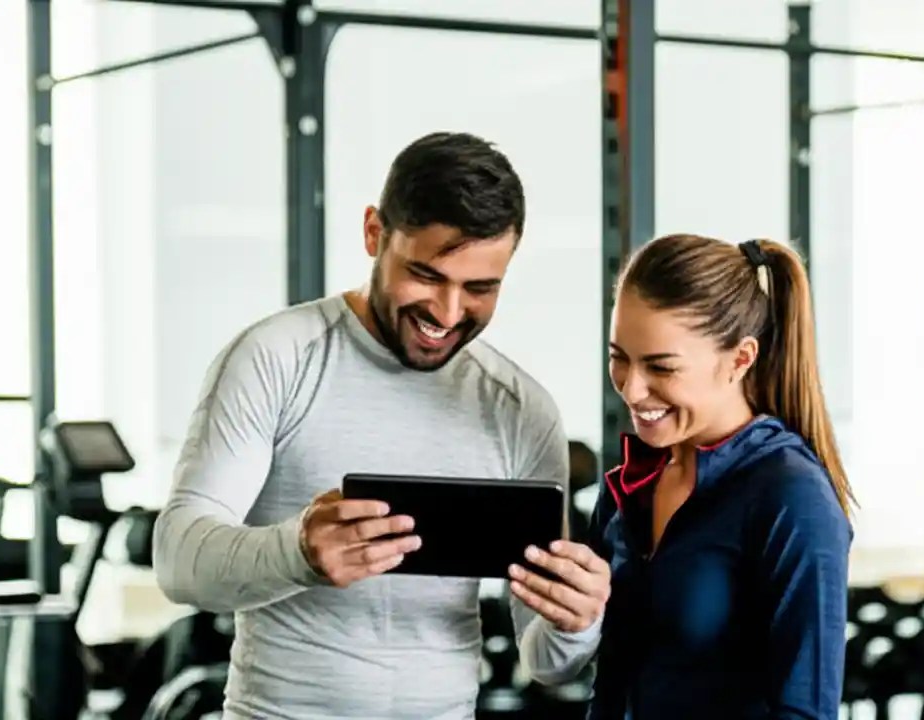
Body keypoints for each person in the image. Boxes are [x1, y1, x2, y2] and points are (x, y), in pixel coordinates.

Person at [151, 131, 610, 720]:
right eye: (426, 275)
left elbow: (545, 659)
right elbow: (177, 560)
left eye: (479, 288)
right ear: (374, 232)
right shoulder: (276, 357)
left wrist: (578, 620)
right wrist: (297, 552)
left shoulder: (519, 408)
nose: (447, 313)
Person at [571, 234, 855, 718]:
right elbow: (612, 684)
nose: (633, 390)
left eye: (661, 367)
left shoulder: (792, 497)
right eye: (620, 357)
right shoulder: (632, 483)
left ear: (741, 359)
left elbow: (804, 710)